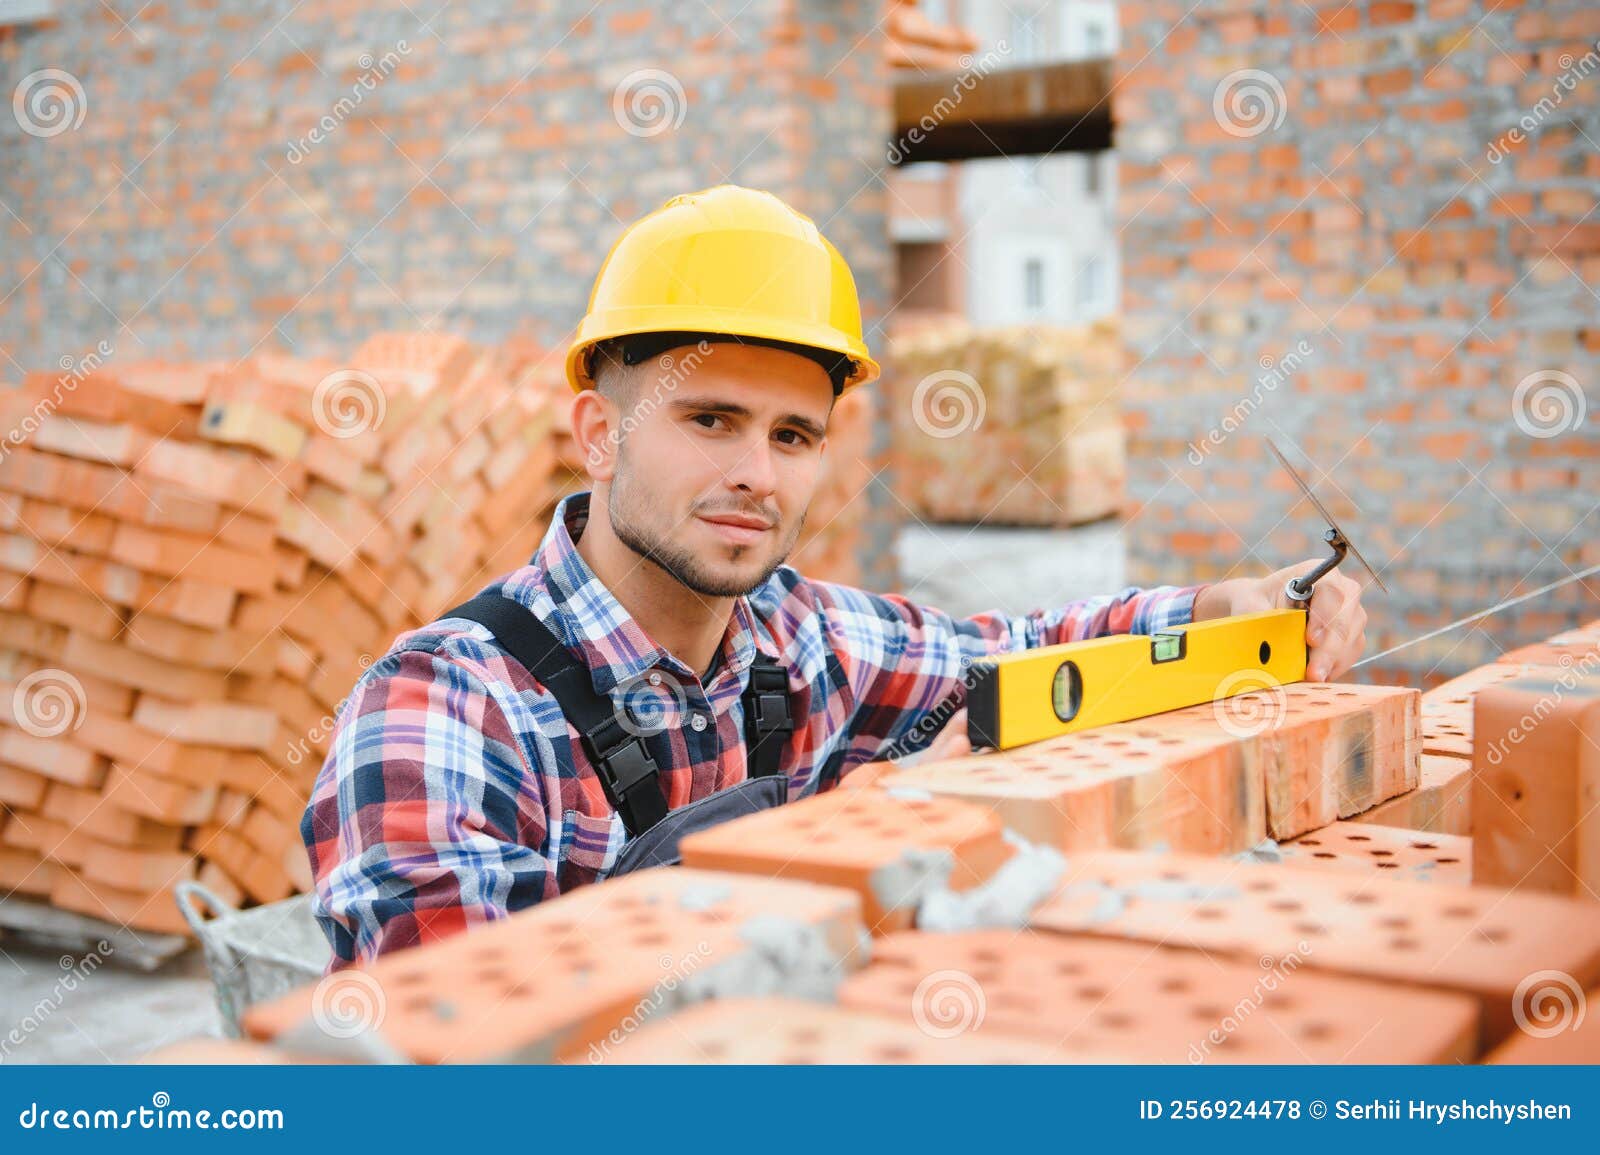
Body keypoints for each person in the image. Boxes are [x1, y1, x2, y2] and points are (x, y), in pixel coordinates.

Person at [302, 185, 1368, 968]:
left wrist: (1228, 610)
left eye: (793, 435)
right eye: (709, 419)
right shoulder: (444, 711)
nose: (753, 475)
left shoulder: (800, 642)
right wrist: (857, 833)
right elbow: (452, 1061)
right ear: (598, 432)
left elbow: (1027, 654)